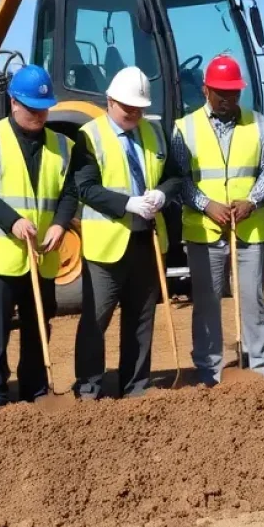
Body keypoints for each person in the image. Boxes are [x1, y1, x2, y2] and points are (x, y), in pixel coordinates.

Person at [0, 65, 79, 406]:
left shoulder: (63, 145)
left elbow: (69, 192)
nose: (38, 115)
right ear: (14, 103)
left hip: (43, 253)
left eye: (43, 108)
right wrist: (13, 221)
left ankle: (35, 389)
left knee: (38, 326)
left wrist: (61, 223)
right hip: (2, 254)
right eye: (32, 108)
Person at [73, 66, 184, 398]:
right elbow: (86, 187)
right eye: (127, 108)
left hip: (148, 240)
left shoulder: (155, 133)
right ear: (110, 101)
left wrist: (163, 193)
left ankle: (135, 385)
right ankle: (89, 387)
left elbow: (175, 175)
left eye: (139, 109)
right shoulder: (89, 136)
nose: (134, 114)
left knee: (141, 317)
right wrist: (127, 203)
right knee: (96, 319)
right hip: (107, 243)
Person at [171, 54, 264, 384]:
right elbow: (179, 178)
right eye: (222, 93)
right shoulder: (184, 128)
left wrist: (252, 200)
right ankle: (209, 370)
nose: (229, 100)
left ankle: (258, 367)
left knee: (253, 301)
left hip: (249, 227)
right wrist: (206, 204)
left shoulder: (257, 123)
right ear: (206, 90)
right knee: (207, 304)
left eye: (234, 93)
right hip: (206, 231)